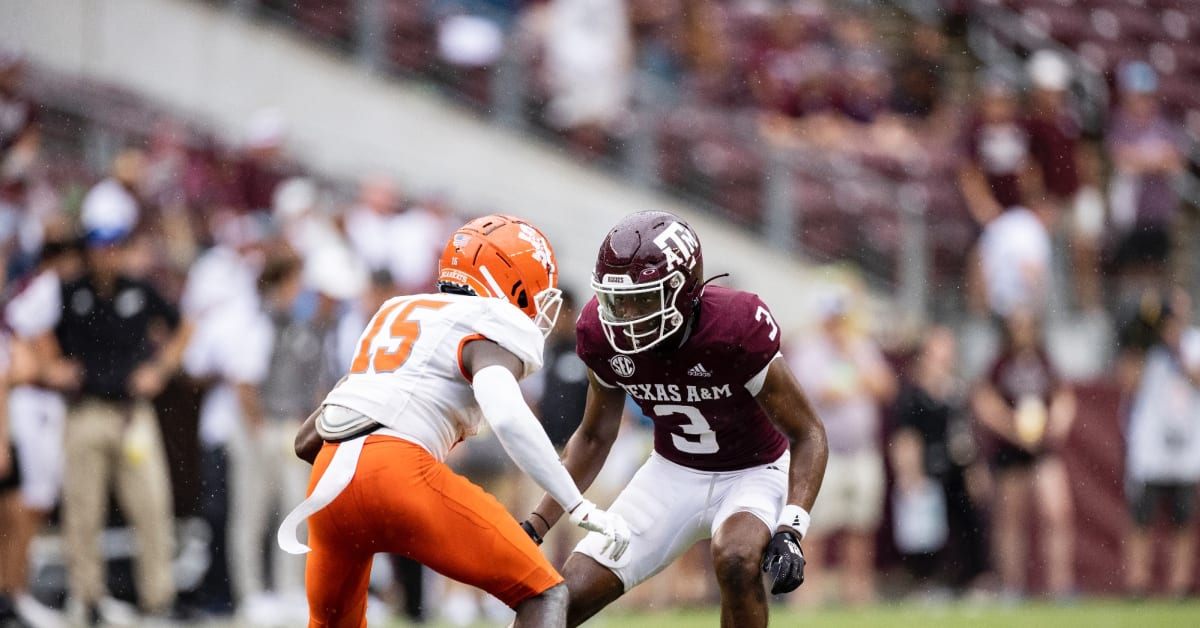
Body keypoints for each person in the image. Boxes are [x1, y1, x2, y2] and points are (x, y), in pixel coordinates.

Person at [276, 214, 631, 628]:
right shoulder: (489, 323)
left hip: (327, 480)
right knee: (544, 592)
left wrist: (357, 491)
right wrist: (576, 504)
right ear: (511, 280)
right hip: (399, 471)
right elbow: (508, 416)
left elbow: (307, 441)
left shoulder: (396, 310)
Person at [520, 211, 828, 628]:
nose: (625, 315)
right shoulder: (599, 332)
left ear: (683, 291)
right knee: (557, 600)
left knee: (736, 558)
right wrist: (536, 525)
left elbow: (807, 432)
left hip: (754, 471)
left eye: (641, 299)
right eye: (617, 300)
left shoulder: (734, 327)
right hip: (670, 473)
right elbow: (594, 438)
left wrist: (791, 527)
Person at [788, 291, 896, 606]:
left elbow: (885, 387)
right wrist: (853, 383)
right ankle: (807, 595)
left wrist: (852, 362)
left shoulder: (861, 347)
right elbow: (818, 394)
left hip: (862, 451)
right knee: (816, 527)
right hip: (824, 453)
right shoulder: (808, 351)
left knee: (860, 527)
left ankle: (857, 594)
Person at [971, 307, 1076, 600]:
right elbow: (984, 402)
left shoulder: (1044, 361)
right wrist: (1014, 429)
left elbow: (1063, 397)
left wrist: (1055, 422)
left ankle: (1061, 586)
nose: (1023, 331)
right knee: (1011, 520)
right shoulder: (1000, 363)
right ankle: (1012, 587)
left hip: (1043, 449)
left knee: (1057, 513)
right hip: (1011, 450)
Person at [1122, 287, 1200, 598]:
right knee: (1142, 516)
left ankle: (1179, 583)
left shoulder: (1193, 343)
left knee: (1183, 517)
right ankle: (1137, 581)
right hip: (1151, 448)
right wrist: (1142, 341)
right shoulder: (1146, 345)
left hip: (1186, 445)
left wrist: (1176, 349)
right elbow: (1128, 383)